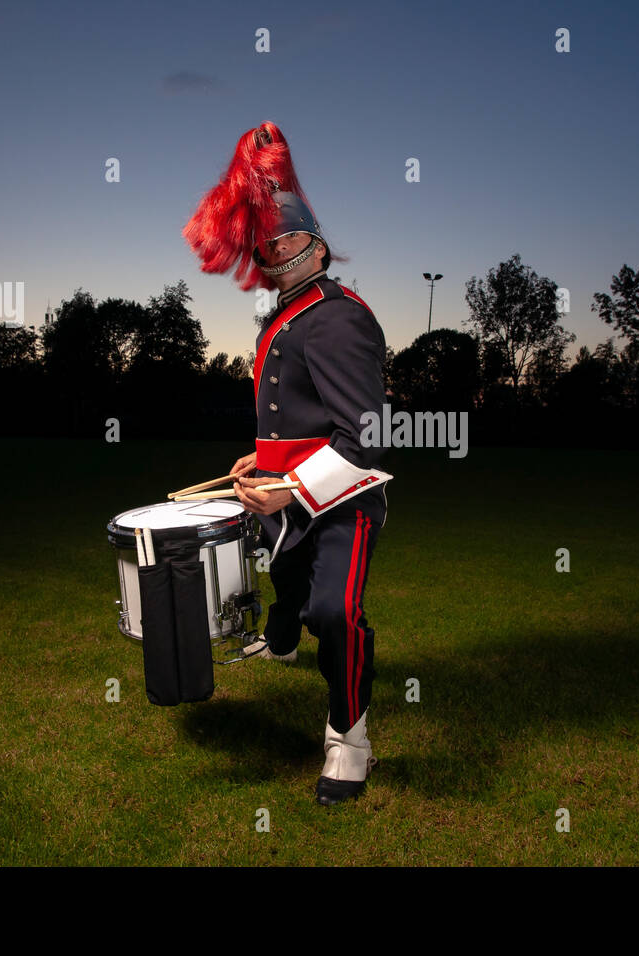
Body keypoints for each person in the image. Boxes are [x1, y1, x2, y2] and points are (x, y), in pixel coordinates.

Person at [183, 122, 392, 806]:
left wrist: (293, 484)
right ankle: (281, 639)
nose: (274, 250)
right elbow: (293, 411)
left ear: (320, 248)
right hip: (283, 489)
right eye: (267, 243)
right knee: (293, 591)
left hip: (341, 499)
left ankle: (348, 740)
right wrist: (262, 456)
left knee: (334, 612)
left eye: (288, 239)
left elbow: (362, 436)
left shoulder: (338, 316)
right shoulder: (286, 317)